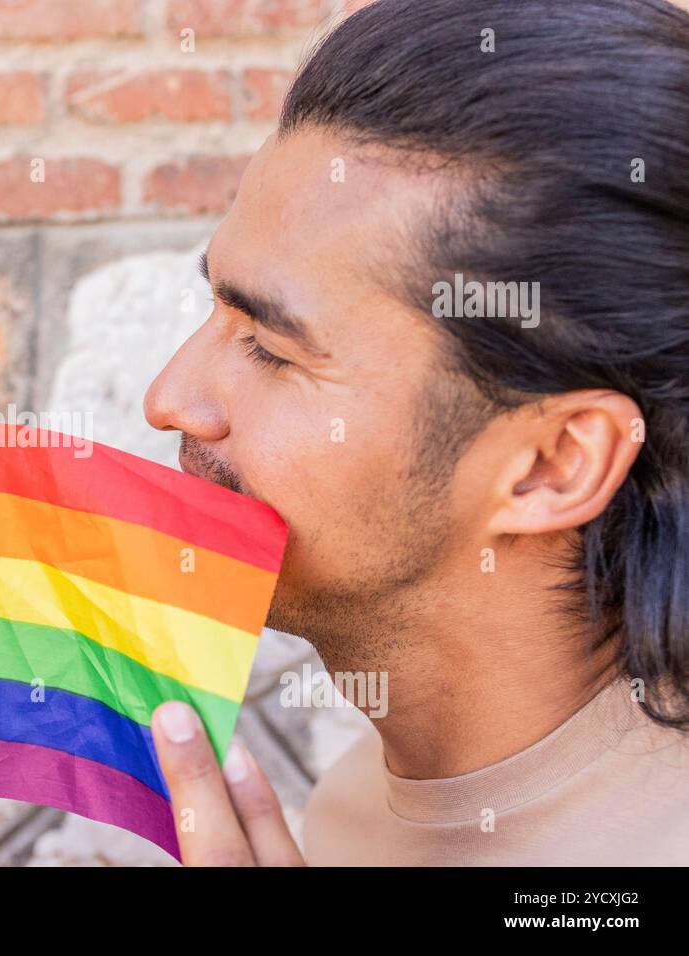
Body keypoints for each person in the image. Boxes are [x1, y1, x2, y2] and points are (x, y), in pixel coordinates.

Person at [146, 0, 689, 865]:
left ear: (551, 464)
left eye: (270, 349)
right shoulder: (353, 810)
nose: (169, 398)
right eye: (214, 310)